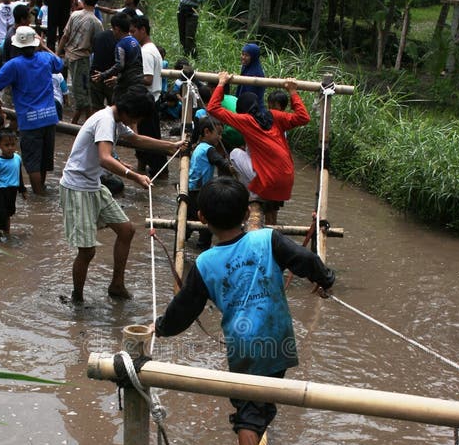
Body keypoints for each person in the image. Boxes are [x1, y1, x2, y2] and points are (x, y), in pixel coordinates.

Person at [155, 176, 335, 445]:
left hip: (244, 345)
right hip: (278, 336)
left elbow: (183, 310)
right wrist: (326, 278)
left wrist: (160, 327)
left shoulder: (205, 263)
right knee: (263, 398)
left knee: (248, 412)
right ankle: (258, 429)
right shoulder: (268, 239)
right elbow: (305, 261)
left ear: (202, 218)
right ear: (245, 215)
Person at [59, 85, 187, 303]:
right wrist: (134, 175)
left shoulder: (116, 119)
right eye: (136, 119)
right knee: (87, 251)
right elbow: (104, 158)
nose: (135, 124)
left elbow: (136, 140)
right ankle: (77, 298)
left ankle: (116, 285)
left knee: (126, 231)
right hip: (77, 187)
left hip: (93, 184)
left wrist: (170, 146)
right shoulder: (106, 121)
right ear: (128, 111)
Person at [207, 71, 310, 223]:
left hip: (268, 182)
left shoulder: (246, 120)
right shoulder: (275, 115)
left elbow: (212, 108)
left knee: (235, 153)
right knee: (248, 148)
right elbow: (303, 117)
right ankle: (258, 193)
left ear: (242, 110)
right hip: (286, 180)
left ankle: (253, 193)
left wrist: (221, 83)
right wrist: (293, 92)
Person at [0, 25, 64, 195]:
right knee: (44, 159)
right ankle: (42, 191)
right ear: (35, 43)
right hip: (49, 117)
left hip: (29, 120)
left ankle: (38, 197)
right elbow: (60, 63)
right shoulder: (46, 58)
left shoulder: (13, 65)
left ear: (16, 46)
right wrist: (44, 46)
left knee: (32, 161)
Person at [57, 0, 102, 124]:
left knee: (84, 92)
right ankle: (74, 125)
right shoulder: (96, 22)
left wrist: (58, 53)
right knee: (82, 94)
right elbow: (98, 45)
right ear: (96, 2)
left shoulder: (75, 15)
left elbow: (64, 36)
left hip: (70, 56)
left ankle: (86, 122)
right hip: (81, 59)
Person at [187, 116, 233, 249]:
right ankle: (202, 248)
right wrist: (230, 167)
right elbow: (219, 161)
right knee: (207, 226)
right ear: (207, 132)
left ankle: (187, 244)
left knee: (188, 224)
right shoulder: (208, 149)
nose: (220, 138)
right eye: (218, 133)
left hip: (190, 191)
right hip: (199, 192)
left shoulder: (199, 147)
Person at [129, 15, 166, 177]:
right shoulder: (152, 50)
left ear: (143, 30)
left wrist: (128, 77)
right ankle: (145, 169)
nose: (131, 35)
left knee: (148, 141)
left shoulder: (146, 52)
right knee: (149, 139)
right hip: (152, 100)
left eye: (133, 31)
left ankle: (159, 172)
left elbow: (148, 78)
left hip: (148, 101)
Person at [0, 126, 26, 241]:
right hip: (0, 191)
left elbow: (19, 175)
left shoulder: (17, 158)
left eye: (12, 145)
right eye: (6, 145)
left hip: (12, 190)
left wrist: (22, 190)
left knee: (9, 211)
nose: (10, 148)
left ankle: (7, 231)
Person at [91, 12, 142, 104]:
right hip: (138, 79)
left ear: (117, 29)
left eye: (113, 29)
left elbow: (119, 65)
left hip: (127, 81)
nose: (112, 31)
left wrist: (104, 74)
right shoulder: (135, 41)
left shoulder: (120, 45)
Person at [89, 26, 116, 111]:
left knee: (96, 107)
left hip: (95, 75)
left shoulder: (99, 36)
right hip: (112, 78)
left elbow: (92, 52)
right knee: (114, 108)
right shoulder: (121, 39)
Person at [235, 43, 265, 113]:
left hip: (254, 111)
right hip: (244, 107)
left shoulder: (256, 72)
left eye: (247, 55)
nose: (243, 57)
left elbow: (251, 96)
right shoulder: (245, 67)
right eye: (243, 54)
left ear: (253, 57)